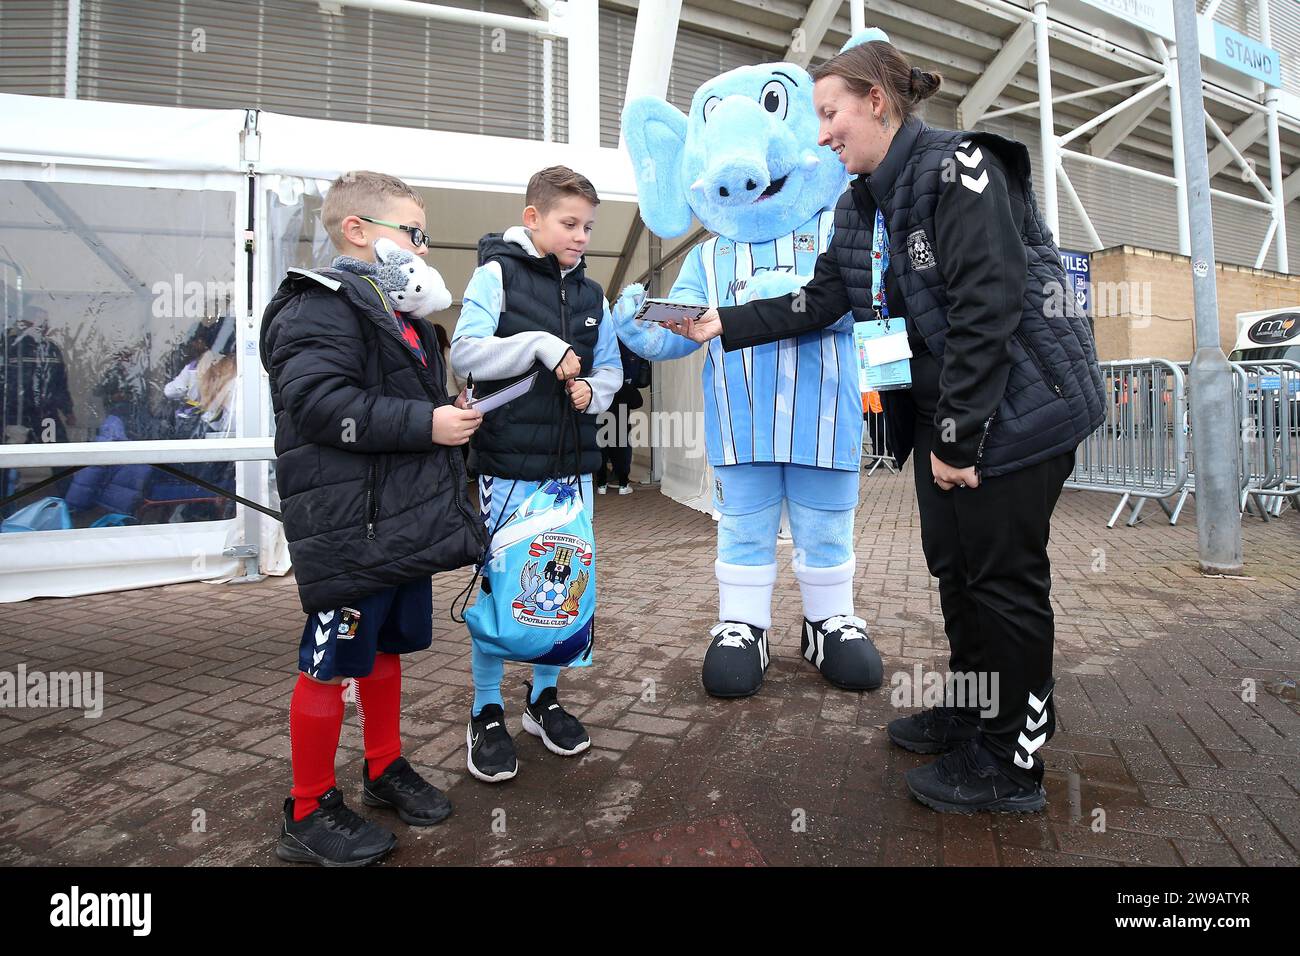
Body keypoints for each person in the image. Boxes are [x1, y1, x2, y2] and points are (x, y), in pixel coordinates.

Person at [671, 34, 1104, 814]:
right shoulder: (858, 203)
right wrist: (720, 323)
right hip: (952, 414)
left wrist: (960, 435)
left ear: (879, 100)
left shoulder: (961, 168)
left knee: (1004, 583)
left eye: (831, 112)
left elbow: (990, 305)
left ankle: (1012, 761)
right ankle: (975, 713)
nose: (822, 131)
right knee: (954, 568)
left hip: (1017, 410)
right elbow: (817, 301)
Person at [260, 170, 486, 865]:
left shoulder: (399, 314)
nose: (421, 247)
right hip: (348, 527)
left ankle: (383, 767)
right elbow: (321, 407)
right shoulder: (318, 306)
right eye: (411, 232)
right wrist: (429, 422)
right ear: (357, 230)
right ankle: (306, 809)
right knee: (328, 662)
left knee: (383, 650)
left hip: (394, 525)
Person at [451, 165, 622, 783]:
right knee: (503, 588)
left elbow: (610, 369)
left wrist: (596, 395)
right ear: (533, 218)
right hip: (507, 467)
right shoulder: (495, 273)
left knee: (561, 584)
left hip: (573, 470)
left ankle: (543, 700)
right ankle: (486, 709)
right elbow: (464, 351)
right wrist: (539, 345)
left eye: (588, 227)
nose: (581, 236)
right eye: (569, 223)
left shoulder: (595, 294)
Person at [595, 340, 644, 495]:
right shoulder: (626, 340)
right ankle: (623, 483)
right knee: (621, 441)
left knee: (601, 441)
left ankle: (601, 483)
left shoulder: (600, 339)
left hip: (601, 393)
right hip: (621, 394)